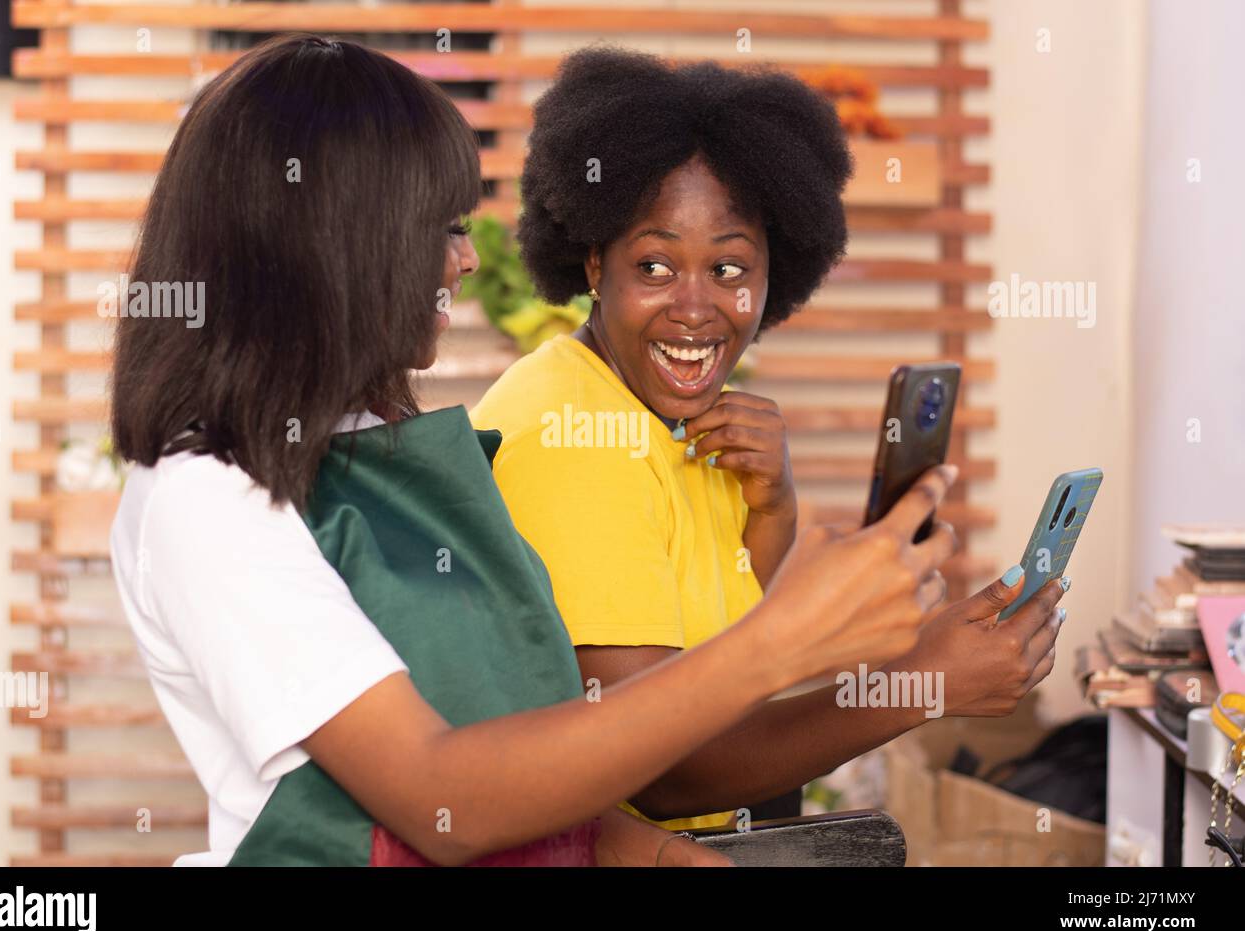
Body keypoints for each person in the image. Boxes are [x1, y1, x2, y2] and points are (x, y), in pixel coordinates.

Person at [108, 34, 956, 866]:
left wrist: (648, 854)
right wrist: (786, 644)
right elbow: (444, 802)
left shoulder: (364, 449)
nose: (469, 260)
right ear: (335, 243)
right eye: (442, 228)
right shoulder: (206, 501)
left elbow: (509, 740)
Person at [472, 47, 1066, 830]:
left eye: (729, 268)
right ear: (593, 263)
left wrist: (773, 509)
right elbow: (665, 773)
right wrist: (920, 685)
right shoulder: (573, 436)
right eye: (654, 265)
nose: (695, 307)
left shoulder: (683, 420)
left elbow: (741, 663)